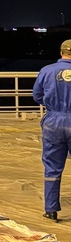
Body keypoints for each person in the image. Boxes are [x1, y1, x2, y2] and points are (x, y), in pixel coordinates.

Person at [33, 39, 71, 221]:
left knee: (52, 168)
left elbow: (37, 95)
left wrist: (53, 106)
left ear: (61, 52)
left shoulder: (46, 71)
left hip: (53, 121)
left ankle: (51, 211)